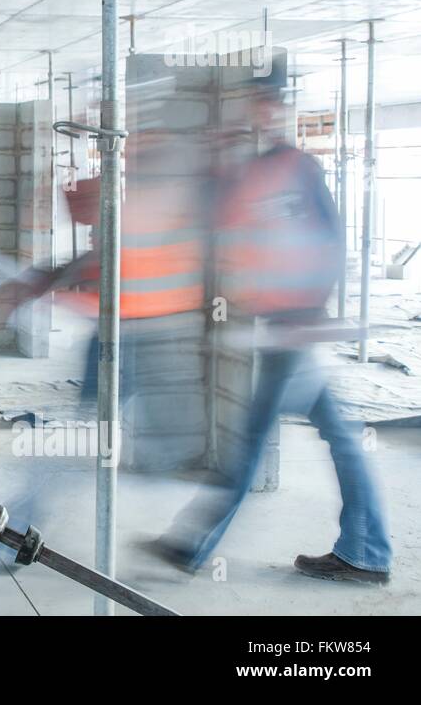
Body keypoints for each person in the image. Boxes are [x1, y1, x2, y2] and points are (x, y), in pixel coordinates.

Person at [155, 58, 392, 583]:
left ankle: (194, 543)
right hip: (276, 326)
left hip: (294, 328)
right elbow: (215, 220)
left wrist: (312, 310)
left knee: (252, 439)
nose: (260, 111)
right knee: (336, 436)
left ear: (282, 109)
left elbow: (332, 242)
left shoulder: (300, 169)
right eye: (254, 102)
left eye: (269, 102)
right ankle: (366, 550)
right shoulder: (251, 174)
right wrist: (215, 163)